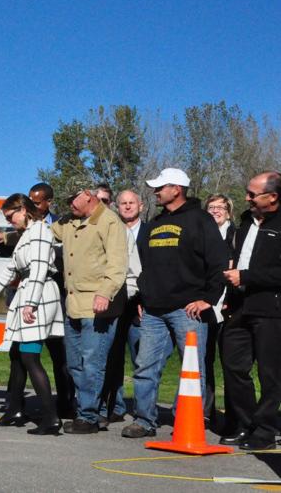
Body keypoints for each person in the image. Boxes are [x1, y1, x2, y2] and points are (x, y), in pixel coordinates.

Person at [123, 168, 228, 438]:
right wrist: (142, 296)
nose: (156, 191)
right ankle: (144, 421)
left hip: (188, 310)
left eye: (161, 187)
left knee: (192, 367)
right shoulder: (155, 223)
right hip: (154, 310)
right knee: (145, 366)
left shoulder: (201, 220)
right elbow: (145, 265)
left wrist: (208, 299)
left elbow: (218, 263)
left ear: (177, 189)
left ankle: (188, 422)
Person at [0, 182, 74, 423]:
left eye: (11, 216)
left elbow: (38, 270)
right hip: (30, 294)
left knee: (29, 357)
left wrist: (30, 305)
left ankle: (51, 418)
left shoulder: (42, 232)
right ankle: (14, 409)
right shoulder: (26, 235)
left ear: (23, 210)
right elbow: (12, 269)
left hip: (40, 296)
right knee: (16, 354)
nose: (10, 222)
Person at [51, 180, 127, 434]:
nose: (69, 204)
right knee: (74, 363)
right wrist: (6, 236)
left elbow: (117, 264)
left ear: (87, 196)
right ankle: (84, 409)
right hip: (73, 304)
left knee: (92, 363)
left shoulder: (110, 222)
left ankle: (89, 417)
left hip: (97, 307)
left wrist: (105, 293)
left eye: (73, 198)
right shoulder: (69, 222)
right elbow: (41, 233)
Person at [220, 172, 281, 450]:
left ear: (273, 197)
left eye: (252, 194)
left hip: (271, 309)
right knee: (234, 366)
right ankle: (245, 423)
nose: (247, 198)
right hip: (238, 305)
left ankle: (265, 429)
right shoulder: (245, 220)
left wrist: (246, 277)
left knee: (270, 373)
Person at [100, 190, 149, 426]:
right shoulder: (111, 229)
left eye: (132, 203)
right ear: (116, 206)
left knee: (142, 359)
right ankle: (115, 406)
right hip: (115, 304)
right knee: (112, 357)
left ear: (141, 205)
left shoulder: (150, 232)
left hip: (140, 305)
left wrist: (145, 300)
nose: (127, 207)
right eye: (123, 203)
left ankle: (142, 412)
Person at [204, 194, 236, 429]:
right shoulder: (202, 235)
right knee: (205, 360)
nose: (215, 211)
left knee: (230, 361)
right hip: (206, 304)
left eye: (220, 207)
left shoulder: (237, 235)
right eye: (211, 207)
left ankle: (234, 416)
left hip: (228, 305)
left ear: (228, 211)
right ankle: (206, 410)